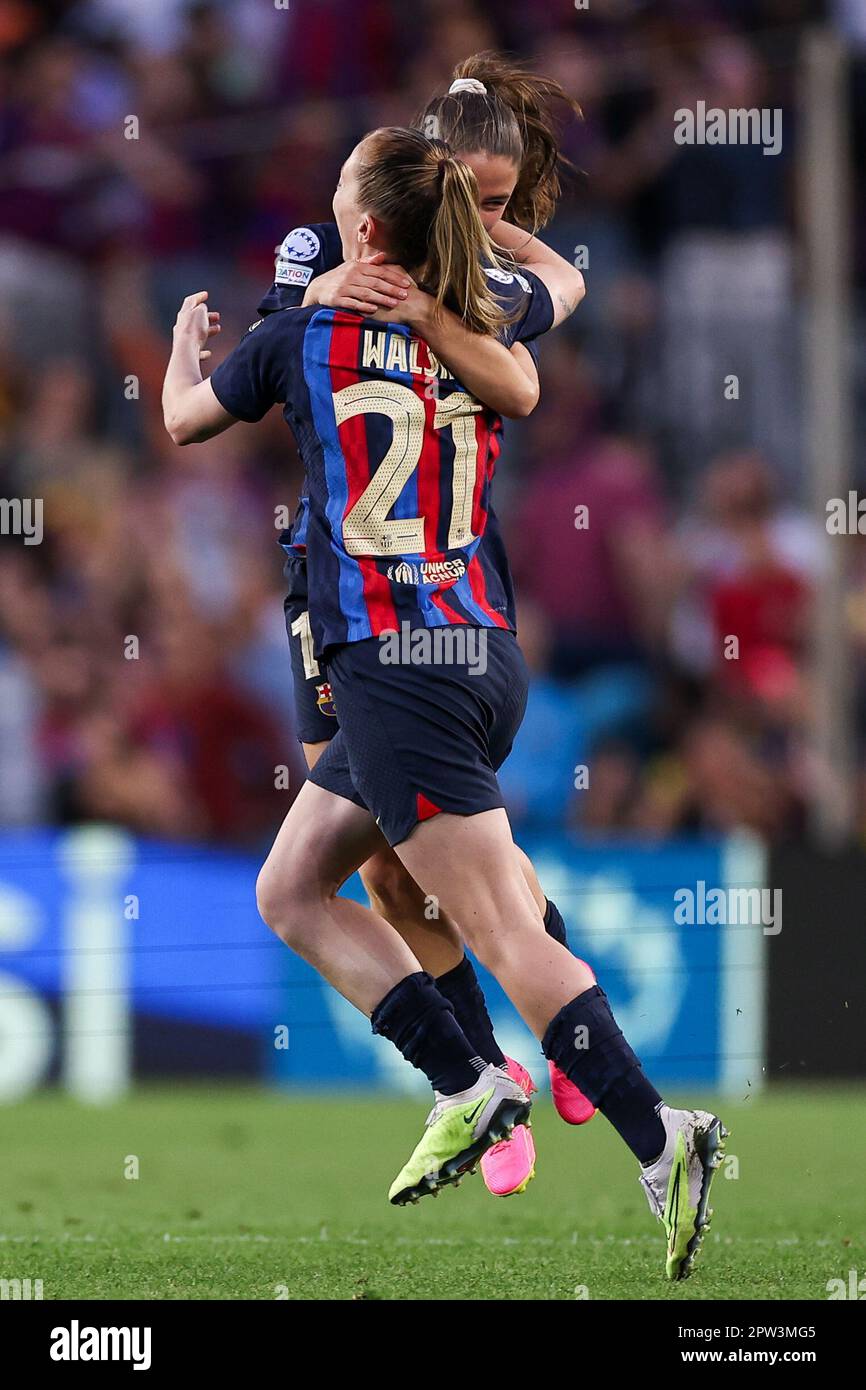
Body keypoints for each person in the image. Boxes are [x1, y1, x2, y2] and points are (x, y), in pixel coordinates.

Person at [163, 125, 728, 1280]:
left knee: (494, 926)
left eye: (341, 198)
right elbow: (562, 288)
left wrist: (182, 344)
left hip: (390, 661)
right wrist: (471, 250)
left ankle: (658, 1134)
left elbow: (182, 421)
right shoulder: (483, 313)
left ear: (364, 228)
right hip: (479, 644)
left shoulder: (299, 334)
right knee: (295, 885)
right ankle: (473, 1080)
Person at [255, 56, 598, 1200]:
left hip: (438, 596)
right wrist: (319, 302)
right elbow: (263, 359)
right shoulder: (326, 253)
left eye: (504, 204)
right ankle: (504, 1062)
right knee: (395, 878)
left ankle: (524, 1045)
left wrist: (478, 275)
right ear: (417, 169)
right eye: (469, 193)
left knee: (409, 858)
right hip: (331, 589)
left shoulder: (483, 282)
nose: (485, 220)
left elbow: (564, 291)